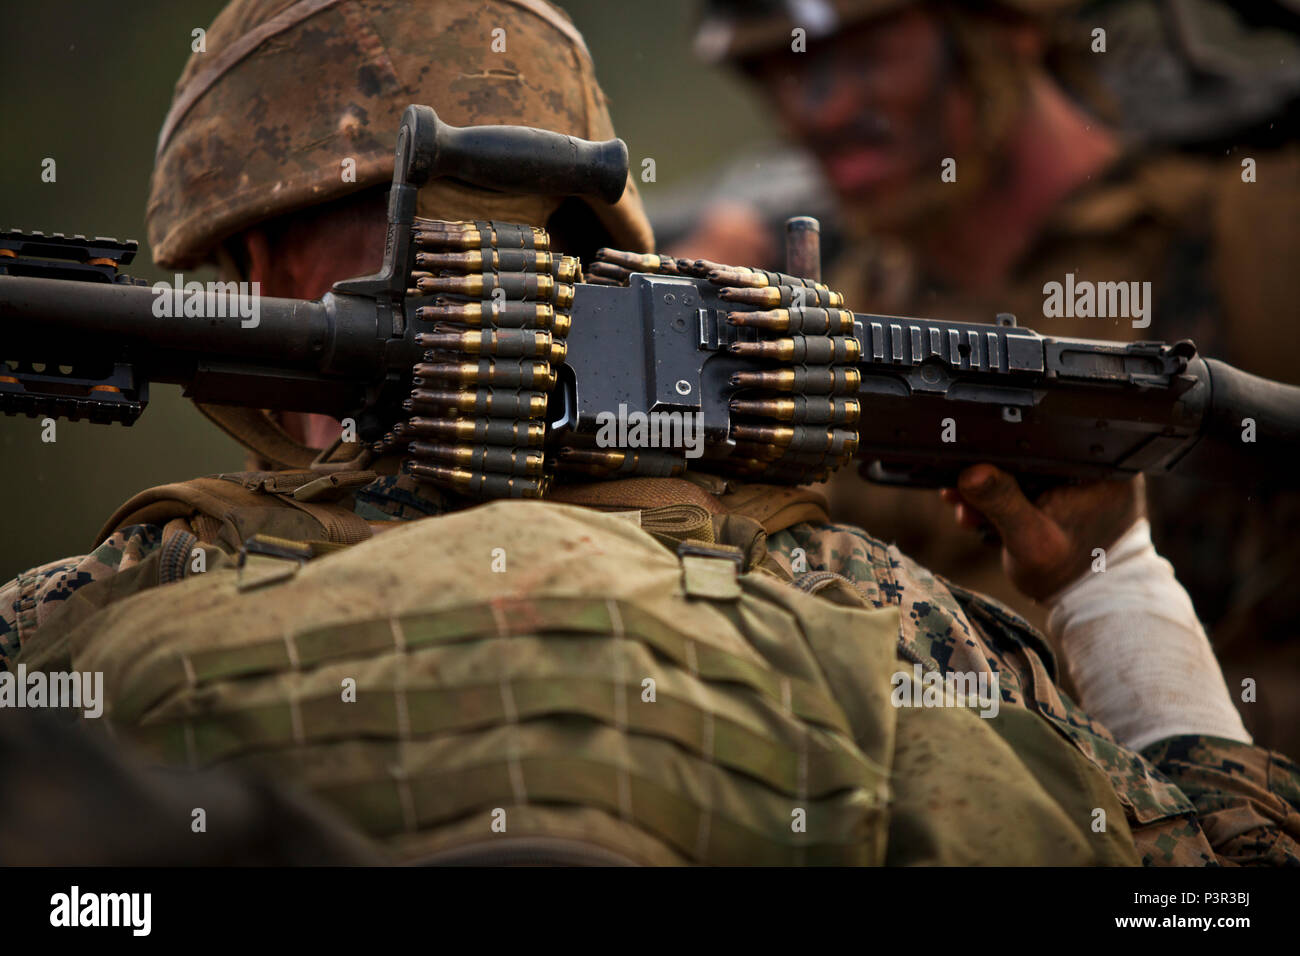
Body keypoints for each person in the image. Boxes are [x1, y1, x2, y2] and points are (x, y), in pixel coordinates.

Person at [1, 0, 1297, 865]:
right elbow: (1216, 873)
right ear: (593, 233)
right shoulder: (860, 605)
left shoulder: (82, 618)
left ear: (250, 261)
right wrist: (1110, 589)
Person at [692, 0, 1300, 753]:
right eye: (776, 72)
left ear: (1004, 25)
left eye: (867, 55)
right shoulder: (829, 314)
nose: (820, 109)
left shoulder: (1259, 231)